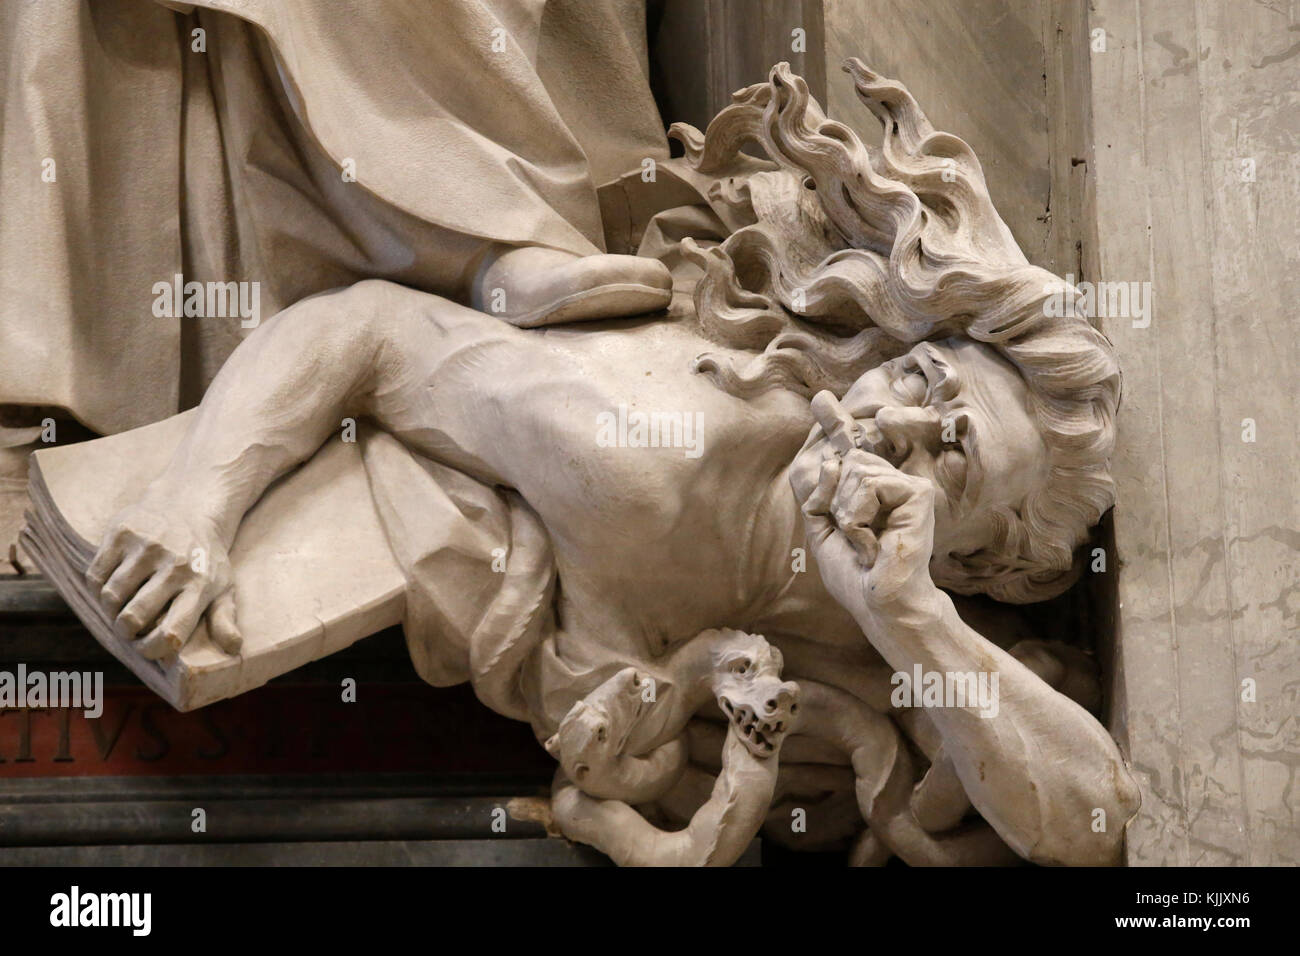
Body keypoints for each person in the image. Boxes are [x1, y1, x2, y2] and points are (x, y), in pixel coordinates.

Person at [83, 61, 1140, 864]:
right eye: (917, 381)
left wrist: (909, 616)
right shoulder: (635, 444)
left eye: (950, 458)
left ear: (980, 560)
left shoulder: (906, 625)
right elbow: (365, 330)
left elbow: (1092, 823)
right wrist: (196, 504)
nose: (898, 426)